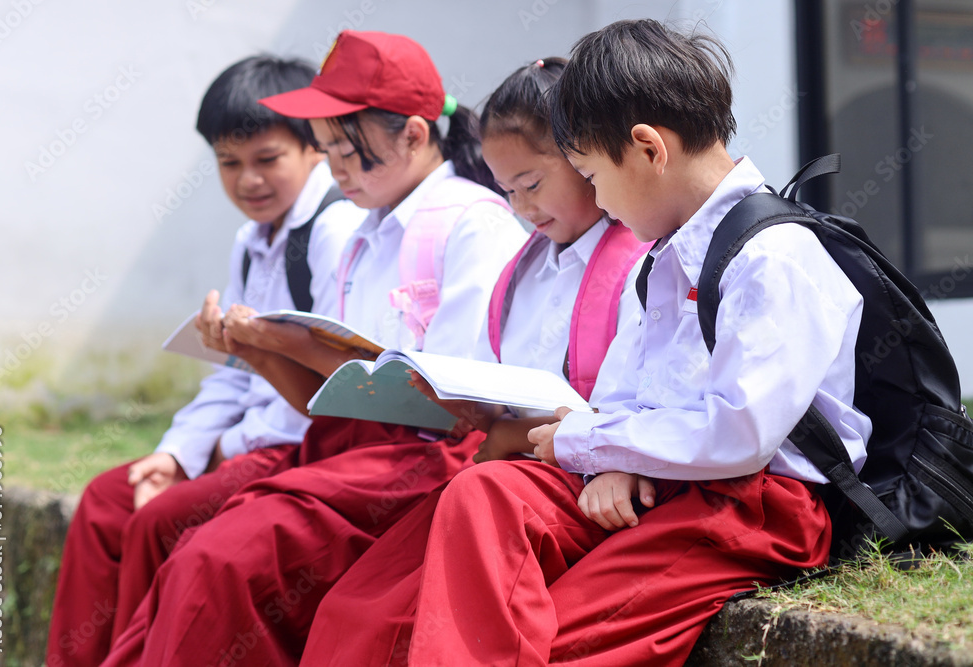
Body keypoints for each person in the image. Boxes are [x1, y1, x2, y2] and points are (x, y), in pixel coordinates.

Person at [357, 20, 872, 666]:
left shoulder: (774, 256)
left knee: (565, 642)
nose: (597, 199)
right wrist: (616, 457)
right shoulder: (665, 256)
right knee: (482, 494)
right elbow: (626, 391)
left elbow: (740, 433)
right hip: (665, 475)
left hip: (751, 505)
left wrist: (602, 445)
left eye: (592, 175)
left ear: (648, 149)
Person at [100, 30, 526, 667]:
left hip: (425, 464)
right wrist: (259, 349)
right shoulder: (362, 232)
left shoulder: (472, 221)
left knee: (217, 561)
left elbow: (451, 405)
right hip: (345, 452)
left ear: (414, 134)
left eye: (348, 151)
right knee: (198, 554)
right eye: (327, 150)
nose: (336, 169)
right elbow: (325, 402)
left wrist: (287, 342)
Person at [299, 55, 656, 666]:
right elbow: (495, 377)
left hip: (573, 480)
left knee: (412, 622)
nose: (521, 207)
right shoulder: (523, 269)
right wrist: (466, 406)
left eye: (532, 185)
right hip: (503, 466)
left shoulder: (642, 260)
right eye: (507, 190)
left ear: (585, 158)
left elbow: (638, 403)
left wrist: (515, 434)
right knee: (356, 606)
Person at [45, 55, 367, 667]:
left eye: (267, 159)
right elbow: (231, 376)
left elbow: (329, 387)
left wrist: (223, 448)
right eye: (229, 163)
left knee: (157, 522)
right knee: (107, 501)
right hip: (245, 440)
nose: (249, 180)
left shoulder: (336, 233)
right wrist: (176, 453)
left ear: (314, 148)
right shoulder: (252, 242)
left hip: (298, 446)